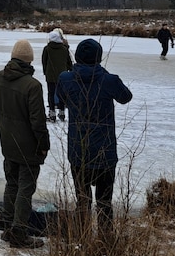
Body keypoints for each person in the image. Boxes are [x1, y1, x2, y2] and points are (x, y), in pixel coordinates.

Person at [55, 38, 133, 238]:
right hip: (104, 153)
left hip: (78, 151)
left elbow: (59, 100)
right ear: (99, 58)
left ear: (77, 57)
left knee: (83, 200)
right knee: (104, 202)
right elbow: (125, 97)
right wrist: (102, 73)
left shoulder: (66, 78)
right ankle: (106, 240)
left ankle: (82, 237)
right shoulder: (109, 80)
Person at [0, 39, 50, 249]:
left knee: (12, 183)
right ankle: (18, 232)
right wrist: (44, 145)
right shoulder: (33, 86)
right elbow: (38, 122)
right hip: (29, 147)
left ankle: (8, 223)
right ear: (29, 60)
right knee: (25, 187)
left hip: (8, 143)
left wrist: (5, 131)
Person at [42, 29, 72, 122]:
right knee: (62, 94)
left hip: (50, 76)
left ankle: (52, 114)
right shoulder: (64, 49)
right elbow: (69, 62)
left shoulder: (47, 49)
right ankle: (62, 113)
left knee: (51, 94)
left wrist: (45, 72)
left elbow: (44, 62)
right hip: (63, 76)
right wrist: (70, 72)